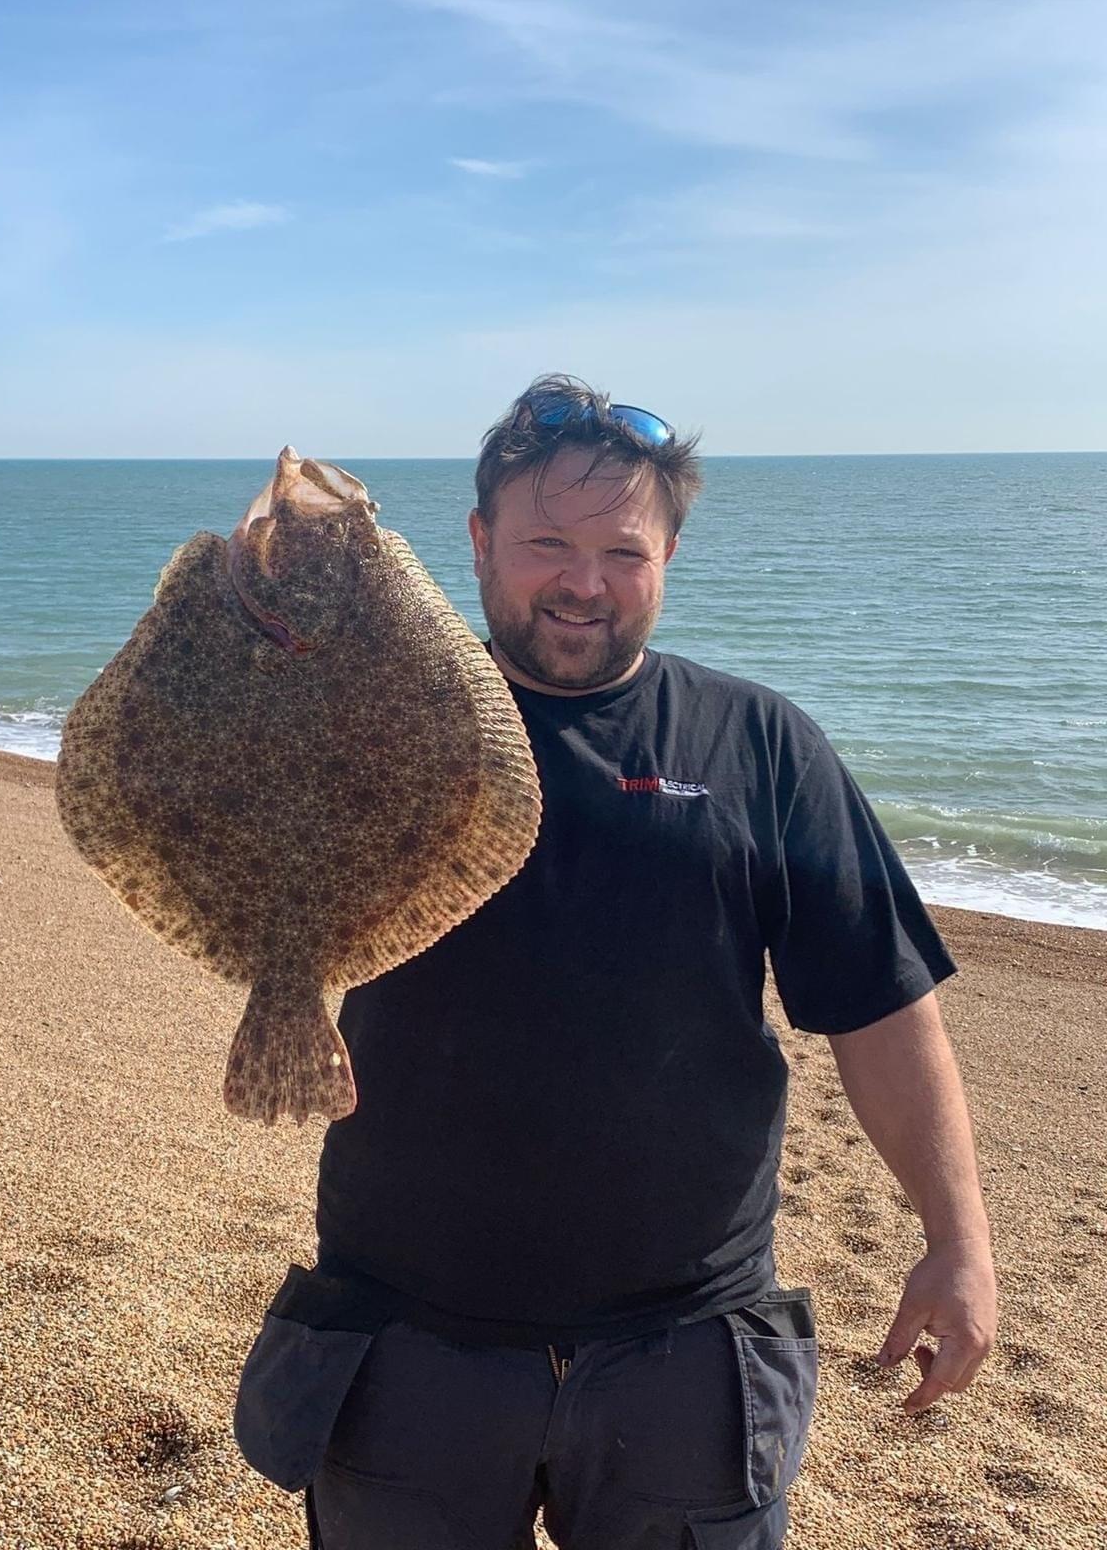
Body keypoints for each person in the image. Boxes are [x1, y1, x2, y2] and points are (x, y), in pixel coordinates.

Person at [232, 374, 998, 1550]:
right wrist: (256, 607)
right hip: (404, 1334)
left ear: (671, 553)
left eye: (622, 551)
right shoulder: (364, 720)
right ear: (480, 541)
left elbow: (881, 1008)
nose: (584, 582)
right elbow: (219, 779)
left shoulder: (760, 745)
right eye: (547, 543)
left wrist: (957, 1237)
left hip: (685, 1352)